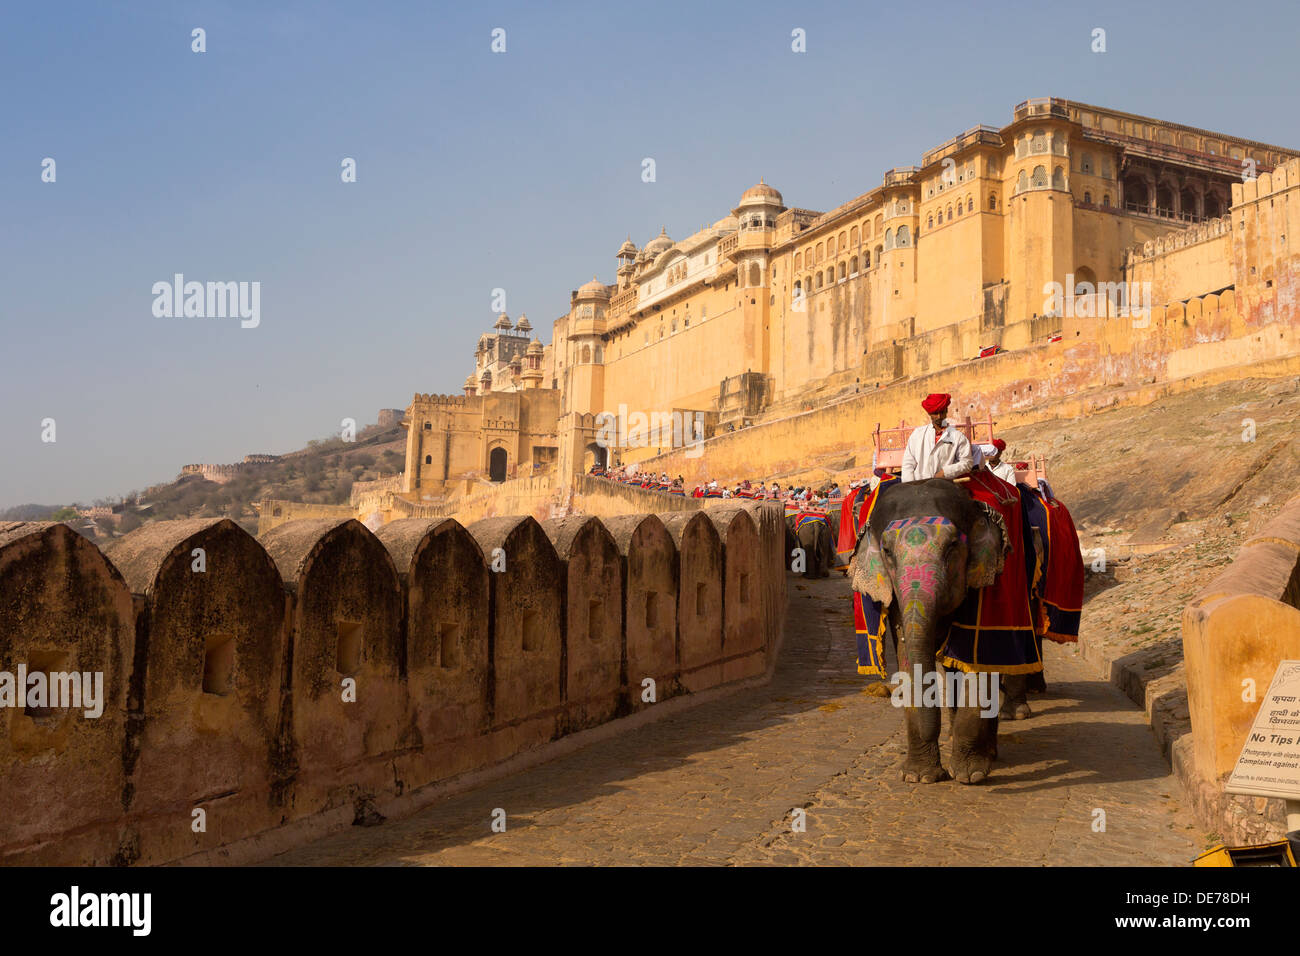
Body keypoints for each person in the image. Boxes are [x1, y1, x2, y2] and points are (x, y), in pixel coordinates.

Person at [901, 393, 973, 482]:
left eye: (942, 412)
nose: (939, 417)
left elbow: (967, 463)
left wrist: (945, 472)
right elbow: (908, 463)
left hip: (944, 487)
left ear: (946, 411)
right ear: (929, 413)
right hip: (918, 487)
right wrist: (909, 485)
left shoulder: (956, 436)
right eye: (935, 413)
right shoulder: (918, 434)